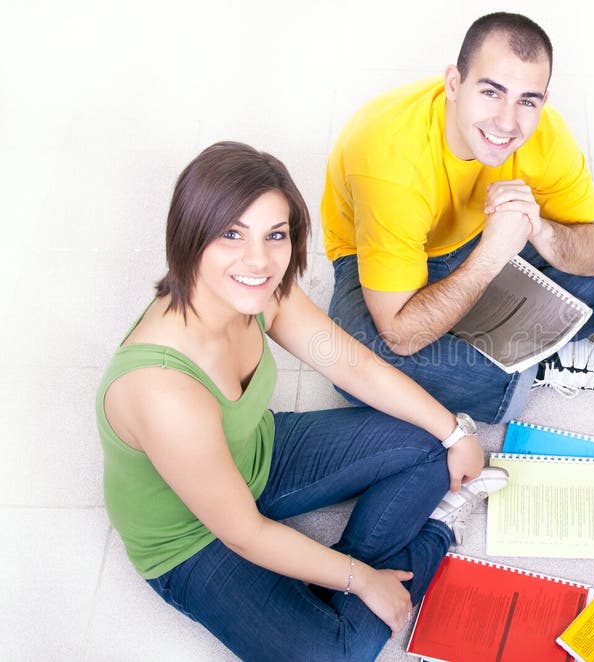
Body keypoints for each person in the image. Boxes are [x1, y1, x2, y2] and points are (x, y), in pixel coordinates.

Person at [95, 141, 509, 661]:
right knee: (340, 652)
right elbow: (244, 533)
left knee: (432, 440)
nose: (259, 260)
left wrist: (456, 432)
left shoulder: (262, 290)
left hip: (258, 455)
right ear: (189, 237)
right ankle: (433, 532)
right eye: (231, 234)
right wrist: (364, 581)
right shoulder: (163, 391)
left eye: (276, 235)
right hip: (191, 536)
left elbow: (350, 363)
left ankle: (332, 583)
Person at [321, 12, 594, 424]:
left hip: (487, 234)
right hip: (378, 257)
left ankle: (486, 359)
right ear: (454, 84)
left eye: (526, 100)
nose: (507, 122)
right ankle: (539, 362)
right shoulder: (388, 156)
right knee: (349, 354)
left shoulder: (544, 131)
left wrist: (540, 229)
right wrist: (493, 254)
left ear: (543, 101)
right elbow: (401, 334)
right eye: (492, 92)